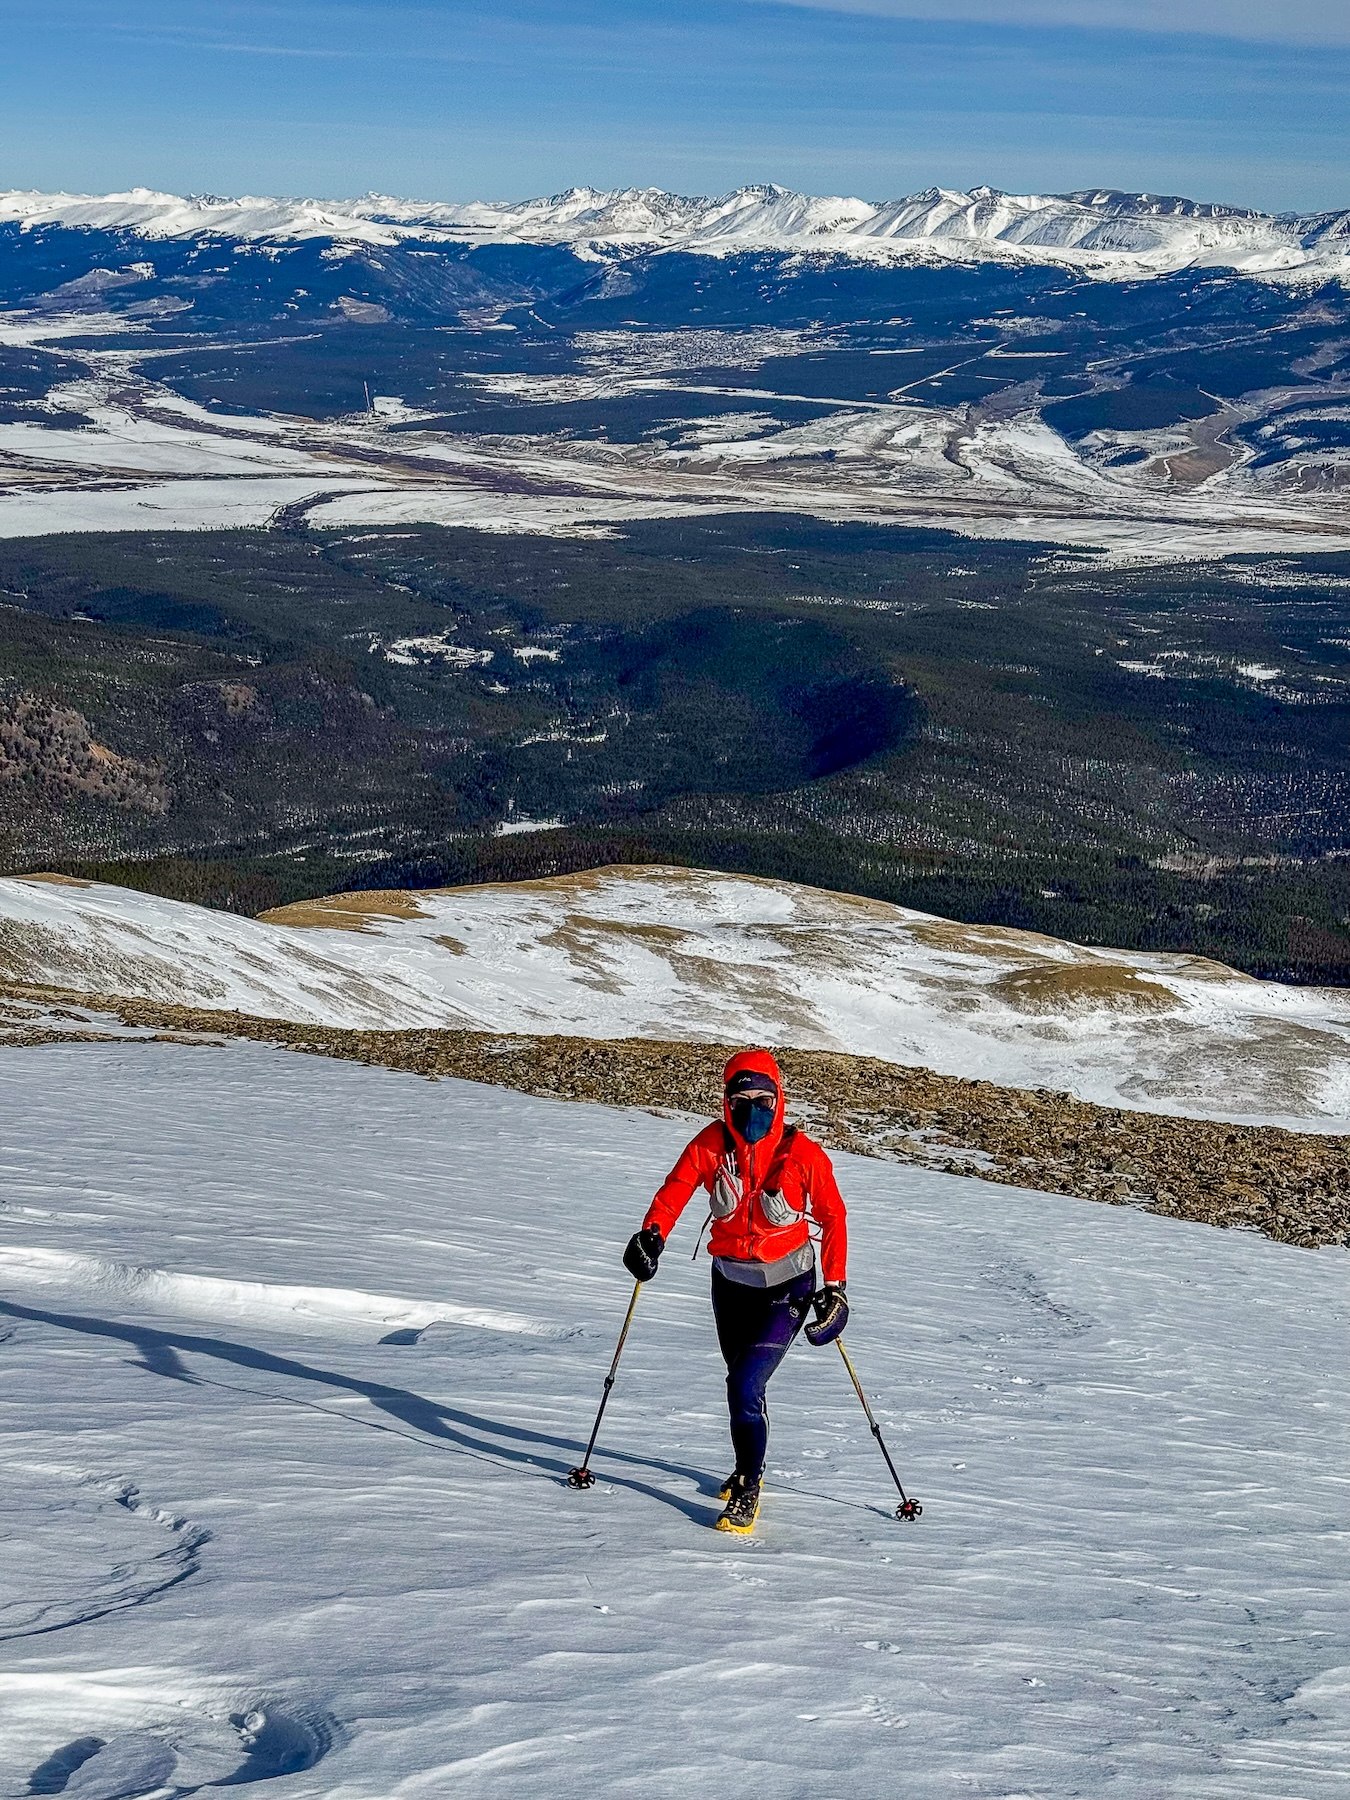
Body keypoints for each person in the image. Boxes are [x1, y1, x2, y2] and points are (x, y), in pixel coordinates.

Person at [623, 1048, 849, 1534]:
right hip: (729, 1283)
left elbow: (833, 1218)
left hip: (788, 1284)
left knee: (745, 1385)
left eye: (763, 1098)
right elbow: (675, 1190)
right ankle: (748, 1462)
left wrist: (836, 1287)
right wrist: (652, 1234)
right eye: (741, 1097)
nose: (752, 1107)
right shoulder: (710, 1144)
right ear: (726, 1100)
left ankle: (749, 1485)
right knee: (742, 1386)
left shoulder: (803, 1155)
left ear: (779, 1098)